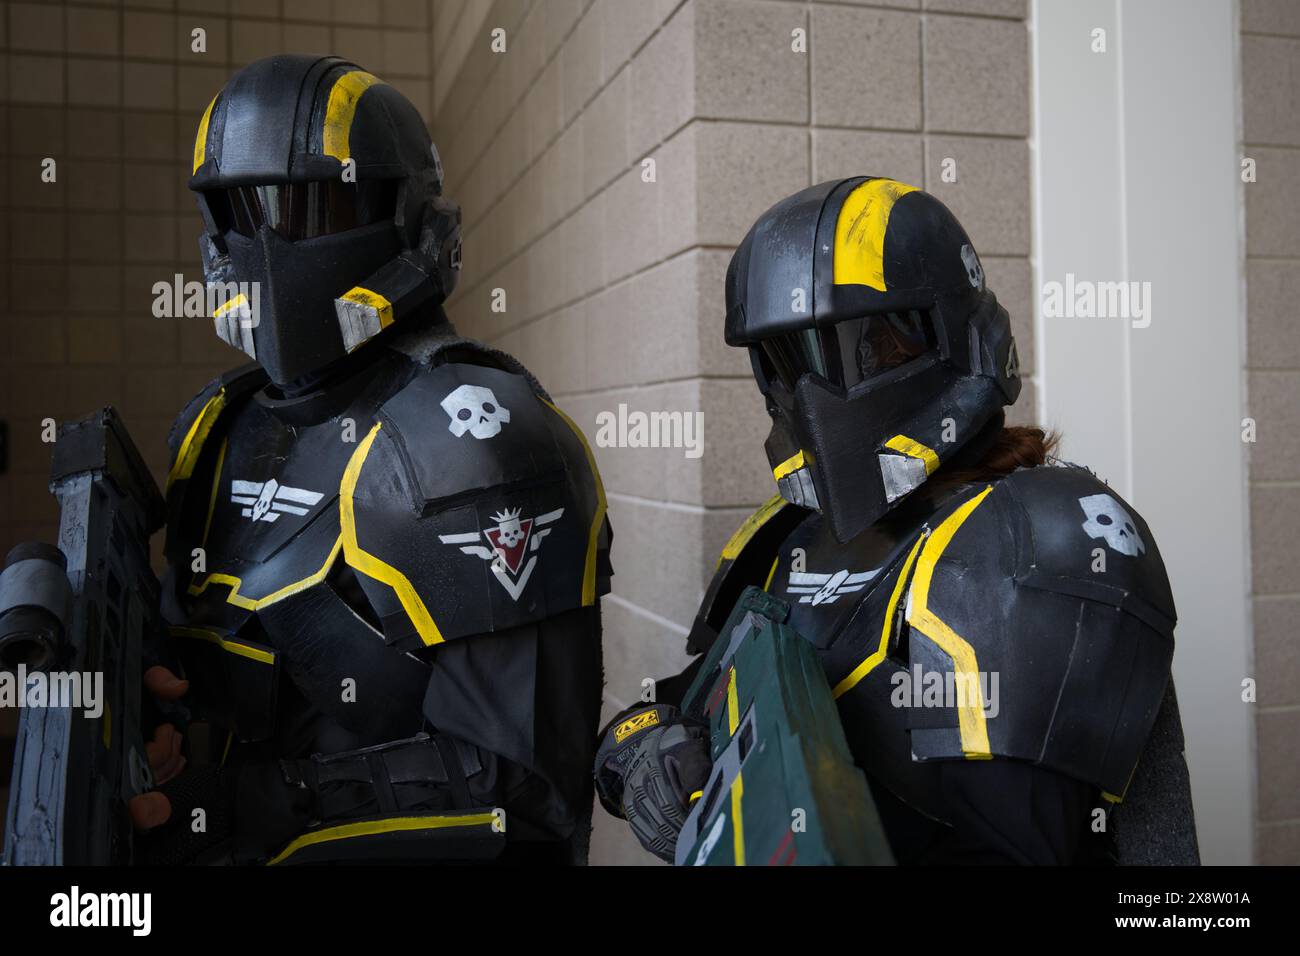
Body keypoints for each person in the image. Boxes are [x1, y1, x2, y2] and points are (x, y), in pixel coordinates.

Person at [595, 178, 1198, 866]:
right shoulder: (786, 534)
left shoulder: (1035, 538)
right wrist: (639, 751)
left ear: (944, 333)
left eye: (864, 345)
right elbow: (690, 706)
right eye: (792, 357)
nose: (820, 392)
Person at [131, 55, 611, 865]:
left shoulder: (478, 439)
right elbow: (205, 657)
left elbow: (522, 800)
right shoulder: (215, 425)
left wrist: (247, 809)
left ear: (405, 213)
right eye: (245, 209)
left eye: (317, 207)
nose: (275, 242)